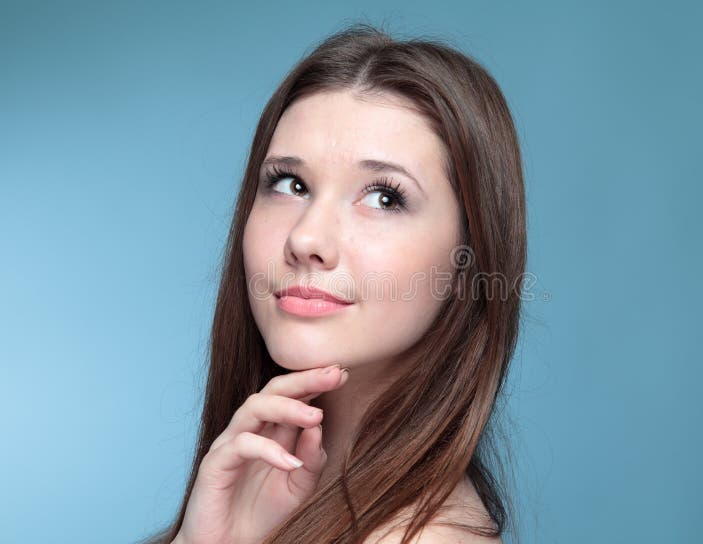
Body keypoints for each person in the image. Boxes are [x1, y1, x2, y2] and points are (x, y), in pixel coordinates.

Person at [140, 21, 527, 544]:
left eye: (384, 198)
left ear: (468, 262)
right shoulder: (262, 500)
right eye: (290, 184)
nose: (306, 238)